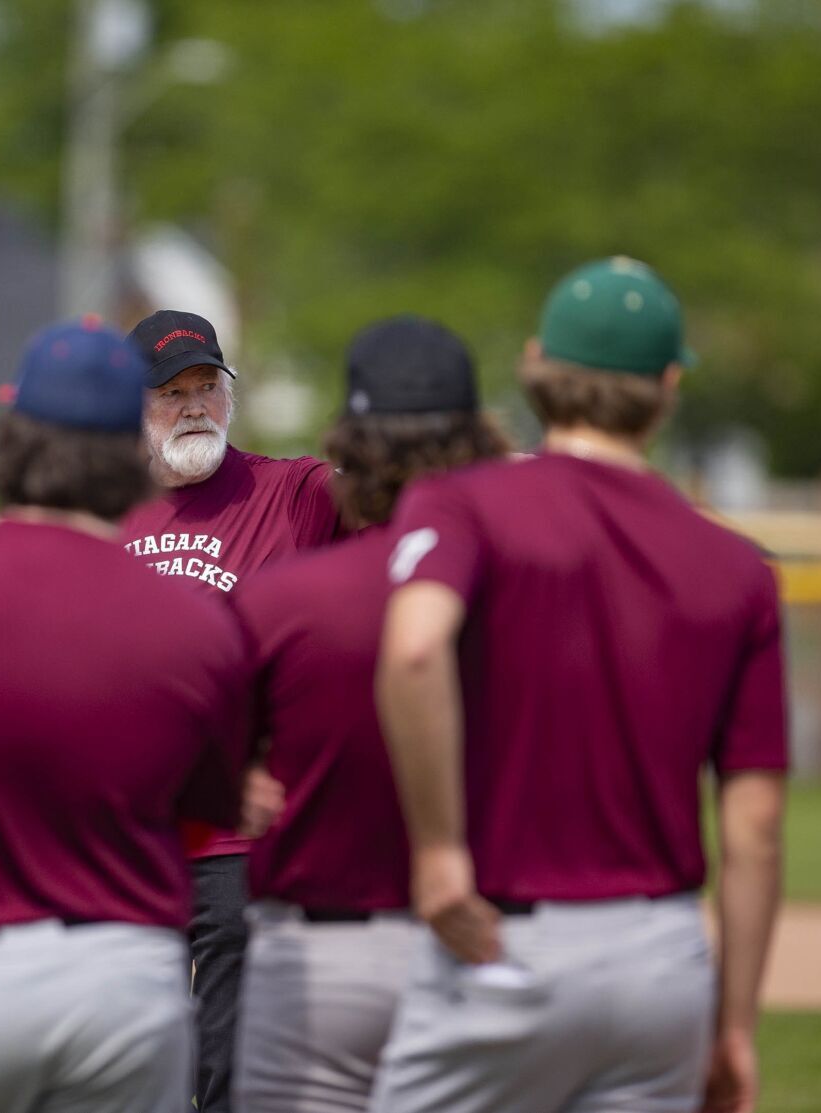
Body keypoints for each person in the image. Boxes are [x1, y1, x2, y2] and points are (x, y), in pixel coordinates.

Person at [373, 257, 789, 1113]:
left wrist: (439, 849)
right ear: (667, 385)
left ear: (535, 365)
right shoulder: (737, 566)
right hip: (659, 954)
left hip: (502, 938)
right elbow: (753, 823)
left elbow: (413, 650)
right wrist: (734, 1022)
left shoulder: (462, 503)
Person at [0, 320, 254, 1113]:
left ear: (12, 433)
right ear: (124, 444)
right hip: (123, 976)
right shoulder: (189, 618)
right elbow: (209, 807)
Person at [230, 315, 509, 1113]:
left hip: (319, 961)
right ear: (479, 437)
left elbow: (203, 780)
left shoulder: (277, 599)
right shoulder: (524, 592)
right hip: (490, 942)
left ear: (347, 446)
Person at [120, 309, 346, 1113]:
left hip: (234, 840)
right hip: (124, 840)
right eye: (169, 391)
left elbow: (393, 485)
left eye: (207, 386)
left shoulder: (293, 493)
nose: (192, 406)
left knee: (223, 1071)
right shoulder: (100, 511)